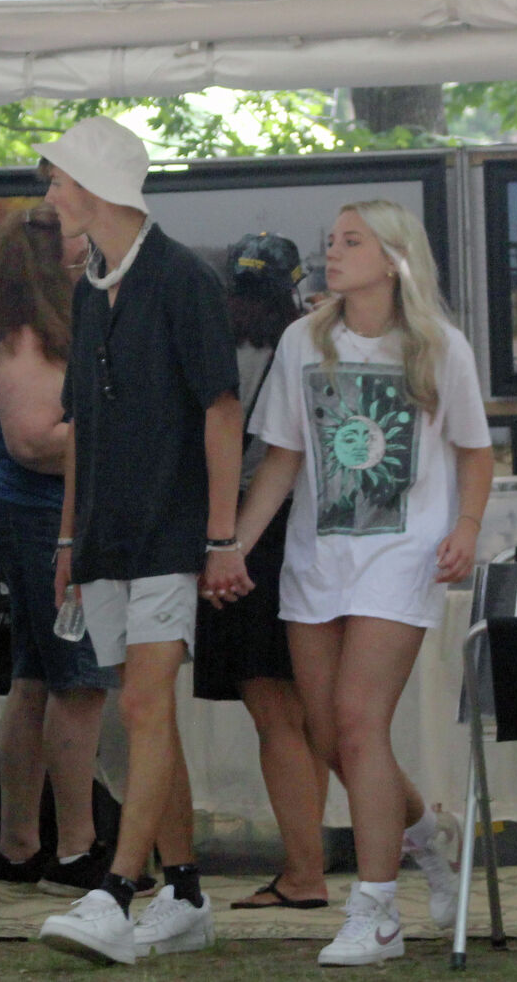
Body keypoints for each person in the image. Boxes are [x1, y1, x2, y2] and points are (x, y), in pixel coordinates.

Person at [234, 200, 492, 966]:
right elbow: (281, 456)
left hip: (403, 558)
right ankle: (429, 840)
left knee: (356, 722)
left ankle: (377, 911)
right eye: (331, 242)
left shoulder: (441, 347)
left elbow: (476, 452)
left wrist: (468, 528)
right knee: (327, 734)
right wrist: (235, 546)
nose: (332, 254)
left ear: (393, 258)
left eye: (351, 242)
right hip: (316, 560)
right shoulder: (301, 340)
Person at [34, 116, 246, 967]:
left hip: (171, 533)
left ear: (90, 184)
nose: (48, 197)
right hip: (108, 537)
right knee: (146, 714)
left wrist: (221, 535)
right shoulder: (90, 287)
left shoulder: (183, 278)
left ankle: (118, 891)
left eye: (56, 180)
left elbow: (221, 409)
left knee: (143, 707)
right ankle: (185, 890)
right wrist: (67, 538)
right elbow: (82, 425)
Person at [0, 205, 117, 897]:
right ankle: (75, 847)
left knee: (35, 677)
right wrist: (122, 436)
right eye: (83, 240)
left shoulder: (31, 327)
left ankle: (19, 847)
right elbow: (32, 438)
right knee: (76, 681)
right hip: (44, 521)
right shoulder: (29, 337)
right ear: (54, 256)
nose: (95, 248)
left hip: (33, 516)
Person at [193, 232, 331, 912]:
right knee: (304, 718)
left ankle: (305, 871)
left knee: (278, 712)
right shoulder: (315, 344)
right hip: (299, 539)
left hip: (252, 536)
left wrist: (227, 542)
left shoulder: (239, 355)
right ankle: (309, 863)